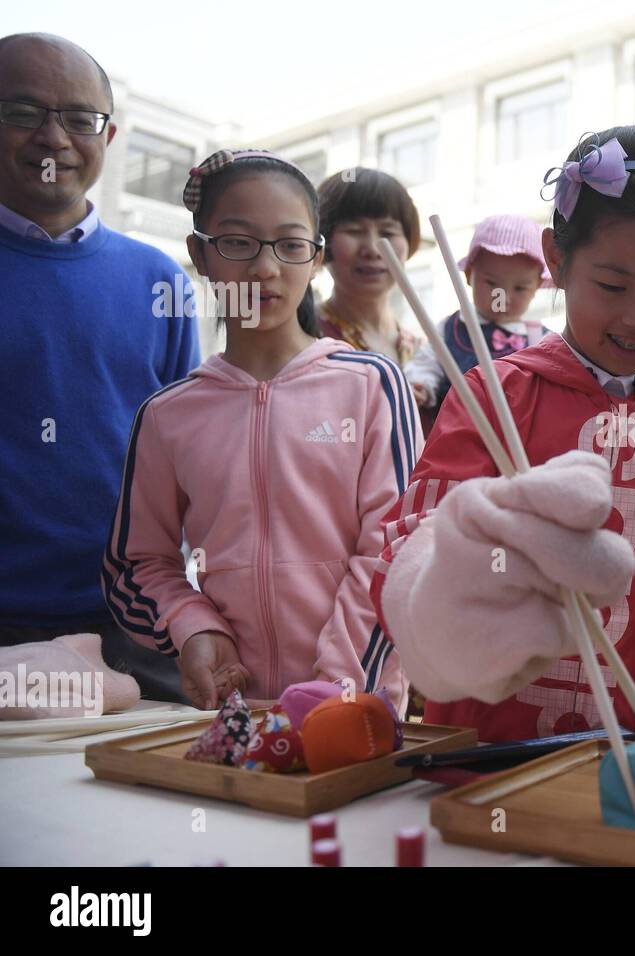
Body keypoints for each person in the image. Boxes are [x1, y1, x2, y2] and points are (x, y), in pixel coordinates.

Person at [372, 124, 635, 741]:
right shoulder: (491, 394)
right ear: (556, 261)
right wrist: (458, 596)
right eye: (613, 286)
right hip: (483, 756)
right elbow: (409, 548)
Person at [102, 150, 419, 710]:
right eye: (238, 243)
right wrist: (193, 625)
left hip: (355, 713)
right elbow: (137, 565)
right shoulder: (167, 413)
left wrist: (338, 687)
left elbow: (398, 548)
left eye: (291, 245)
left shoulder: (372, 385)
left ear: (316, 259)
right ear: (200, 253)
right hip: (230, 715)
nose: (265, 269)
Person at [0, 33, 199, 702]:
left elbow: (186, 461)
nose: (53, 137)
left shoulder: (158, 280)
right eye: (23, 111)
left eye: (79, 118)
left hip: (135, 630)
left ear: (108, 136)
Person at [403, 213, 550, 430]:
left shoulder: (543, 341)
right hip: (454, 438)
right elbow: (426, 364)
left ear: (538, 286)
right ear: (469, 274)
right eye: (491, 283)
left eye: (519, 288)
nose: (504, 297)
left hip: (521, 447)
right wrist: (421, 386)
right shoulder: (451, 328)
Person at [315, 167, 422, 366]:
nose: (373, 249)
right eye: (354, 231)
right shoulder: (301, 336)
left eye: (388, 233)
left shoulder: (424, 353)